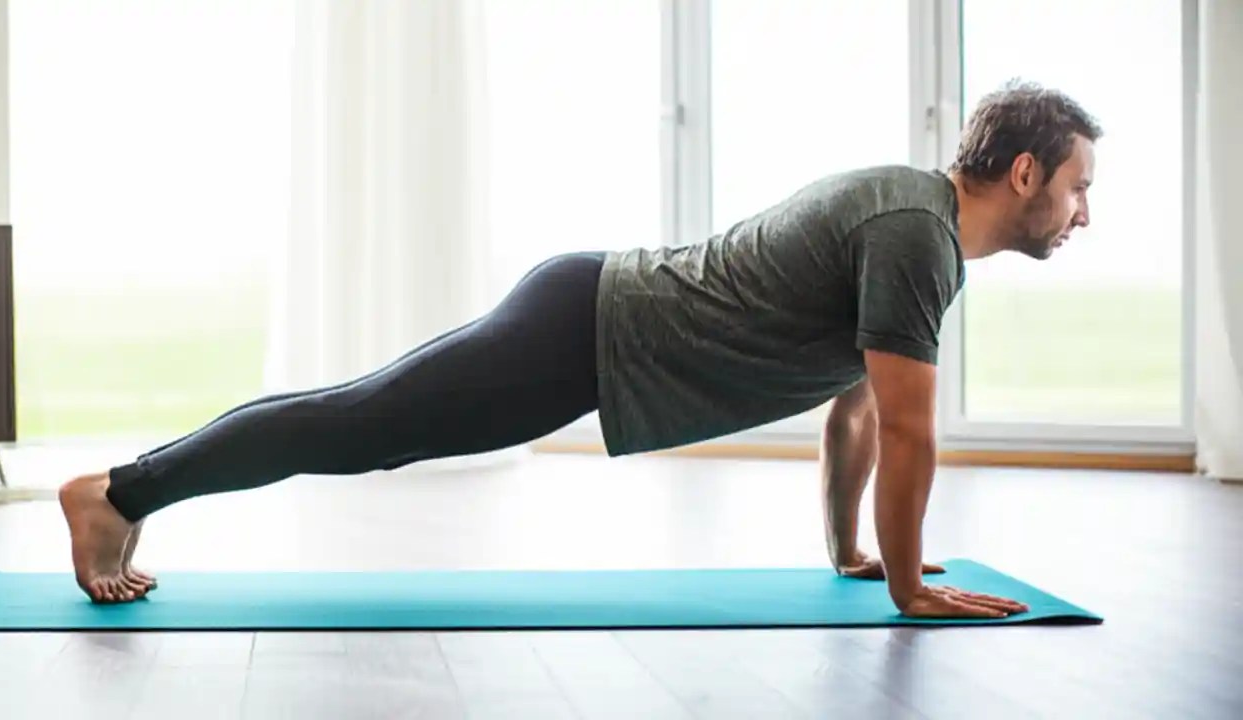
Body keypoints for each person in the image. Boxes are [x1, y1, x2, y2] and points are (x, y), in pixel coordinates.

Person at [58, 79, 1098, 617]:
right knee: (358, 424)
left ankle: (126, 495)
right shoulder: (913, 235)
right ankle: (117, 494)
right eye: (1076, 187)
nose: (1081, 212)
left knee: (360, 416)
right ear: (1023, 172)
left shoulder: (915, 225)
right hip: (590, 329)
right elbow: (908, 431)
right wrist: (910, 587)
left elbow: (857, 410)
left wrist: (852, 554)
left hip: (587, 313)